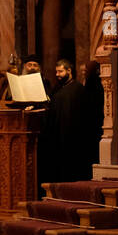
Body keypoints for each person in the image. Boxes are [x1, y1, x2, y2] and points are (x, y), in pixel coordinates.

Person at [38, 58, 87, 190]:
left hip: (71, 137)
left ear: (69, 71)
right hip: (59, 136)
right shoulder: (59, 89)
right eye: (56, 72)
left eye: (60, 71)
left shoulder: (77, 89)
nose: (57, 75)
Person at [83, 60, 105, 178]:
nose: (84, 73)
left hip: (95, 123)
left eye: (86, 71)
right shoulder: (92, 84)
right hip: (93, 123)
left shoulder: (93, 85)